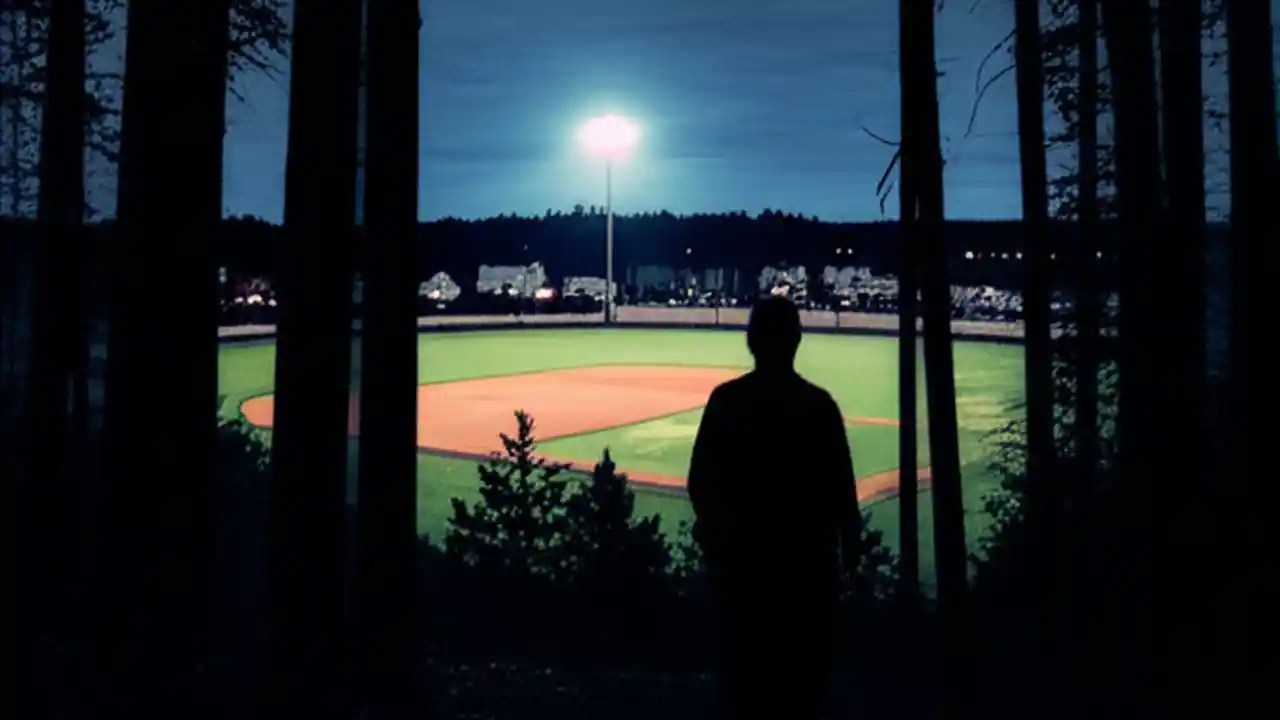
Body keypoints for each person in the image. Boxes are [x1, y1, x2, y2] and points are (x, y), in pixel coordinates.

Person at [688, 296, 862, 719]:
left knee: (742, 685)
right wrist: (848, 556)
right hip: (806, 572)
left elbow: (700, 482)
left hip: (740, 571)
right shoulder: (819, 406)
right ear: (797, 339)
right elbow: (843, 495)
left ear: (750, 340)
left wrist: (717, 539)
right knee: (803, 687)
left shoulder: (726, 401)